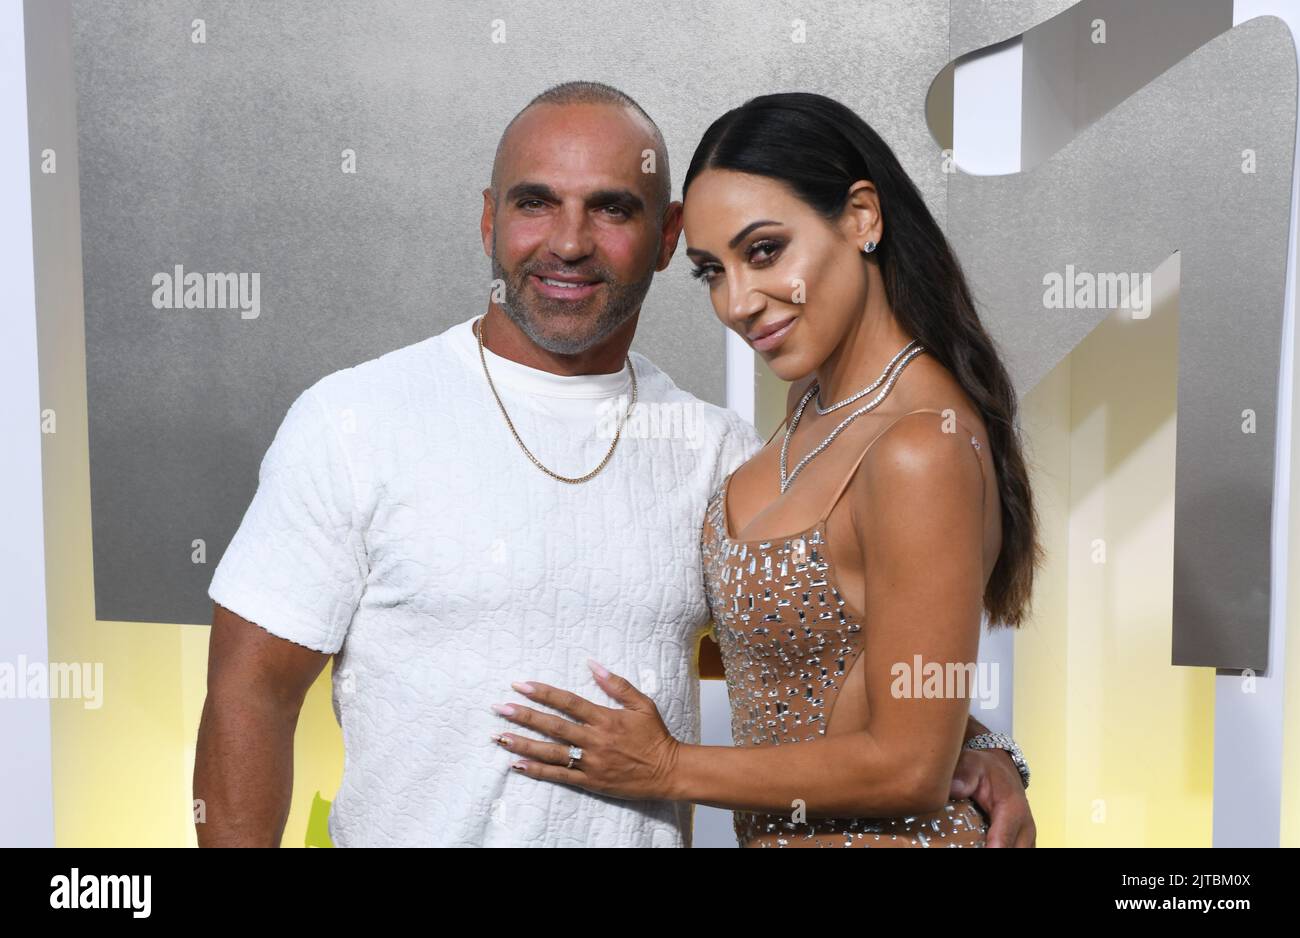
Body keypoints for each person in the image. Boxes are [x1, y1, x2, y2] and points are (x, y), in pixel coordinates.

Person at [193, 82, 1035, 847]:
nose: (568, 243)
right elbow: (250, 694)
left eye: (611, 209)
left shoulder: (719, 450)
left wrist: (973, 747)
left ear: (664, 237)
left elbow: (813, 640)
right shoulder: (355, 420)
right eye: (535, 204)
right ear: (489, 220)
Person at [490, 91, 1043, 847]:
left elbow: (908, 768)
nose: (738, 301)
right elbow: (819, 653)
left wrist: (666, 767)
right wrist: (980, 743)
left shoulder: (921, 446)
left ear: (862, 218)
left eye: (764, 251)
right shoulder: (815, 411)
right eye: (710, 271)